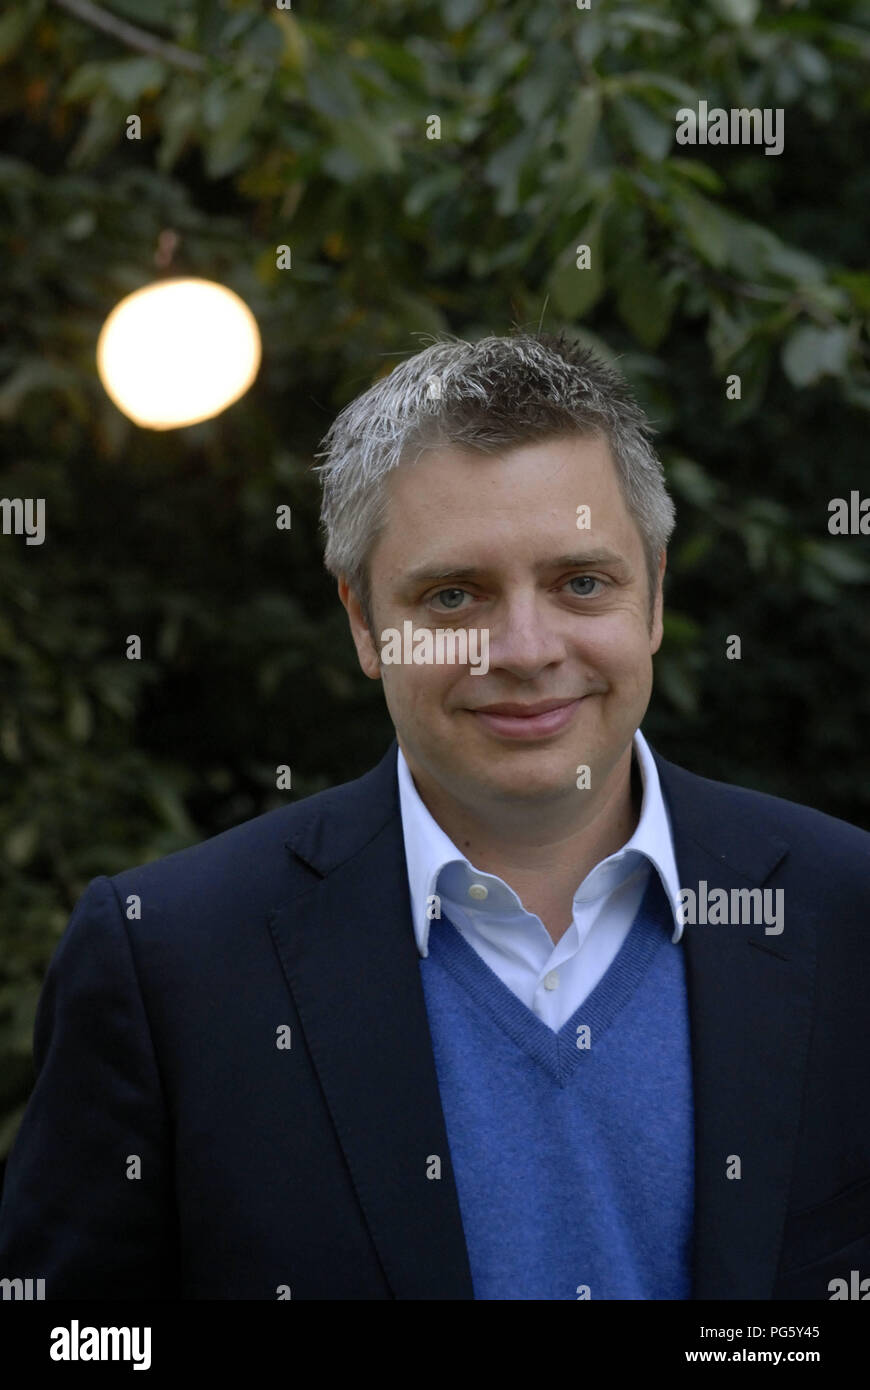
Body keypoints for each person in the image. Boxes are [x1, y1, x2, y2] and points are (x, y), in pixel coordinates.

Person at [1, 331, 868, 1301]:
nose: (528, 649)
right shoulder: (167, 961)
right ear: (364, 622)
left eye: (582, 582)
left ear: (656, 596)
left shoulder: (849, 911)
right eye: (454, 595)